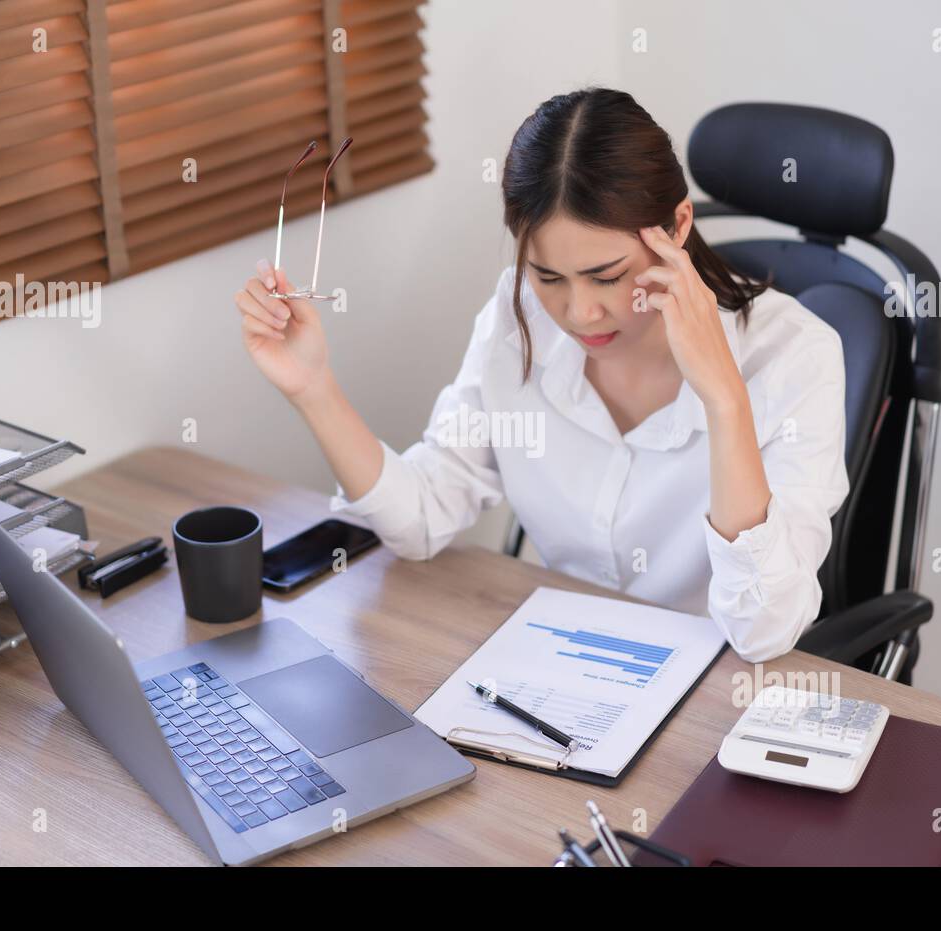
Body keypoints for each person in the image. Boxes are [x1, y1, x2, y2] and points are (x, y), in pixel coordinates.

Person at [232, 88, 849, 663]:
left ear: (678, 229)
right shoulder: (516, 315)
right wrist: (313, 387)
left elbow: (763, 632)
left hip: (713, 688)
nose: (579, 313)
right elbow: (421, 518)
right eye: (549, 276)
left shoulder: (795, 354)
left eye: (607, 276)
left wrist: (723, 398)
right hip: (558, 664)